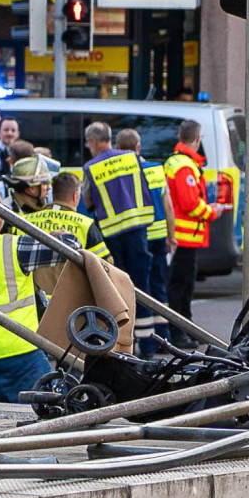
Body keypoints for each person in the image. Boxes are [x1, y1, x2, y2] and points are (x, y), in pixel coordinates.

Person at [0, 184, 80, 402]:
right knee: (49, 408)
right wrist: (57, 235)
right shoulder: (14, 247)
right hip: (22, 351)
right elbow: (71, 248)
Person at [81, 121, 156, 350]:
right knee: (141, 286)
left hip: (112, 236)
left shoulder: (91, 167)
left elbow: (88, 201)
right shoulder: (131, 158)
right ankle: (148, 345)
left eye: (88, 143)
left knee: (117, 290)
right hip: (138, 230)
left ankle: (124, 344)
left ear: (94, 141)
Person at [118, 128, 176, 352]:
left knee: (136, 289)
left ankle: (141, 341)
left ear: (118, 149)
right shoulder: (155, 169)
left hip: (134, 238)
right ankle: (163, 337)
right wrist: (171, 235)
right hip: (158, 237)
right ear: (139, 147)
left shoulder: (120, 173)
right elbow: (168, 205)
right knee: (158, 286)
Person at [165, 119, 220, 349]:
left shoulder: (176, 162)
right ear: (197, 139)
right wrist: (212, 212)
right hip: (184, 238)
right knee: (181, 287)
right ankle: (179, 333)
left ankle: (185, 328)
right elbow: (190, 204)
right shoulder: (185, 166)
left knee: (181, 285)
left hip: (181, 237)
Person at [24, 170, 112, 294]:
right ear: (75, 196)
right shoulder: (85, 225)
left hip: (32, 301)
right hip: (70, 301)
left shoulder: (24, 222)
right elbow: (106, 266)